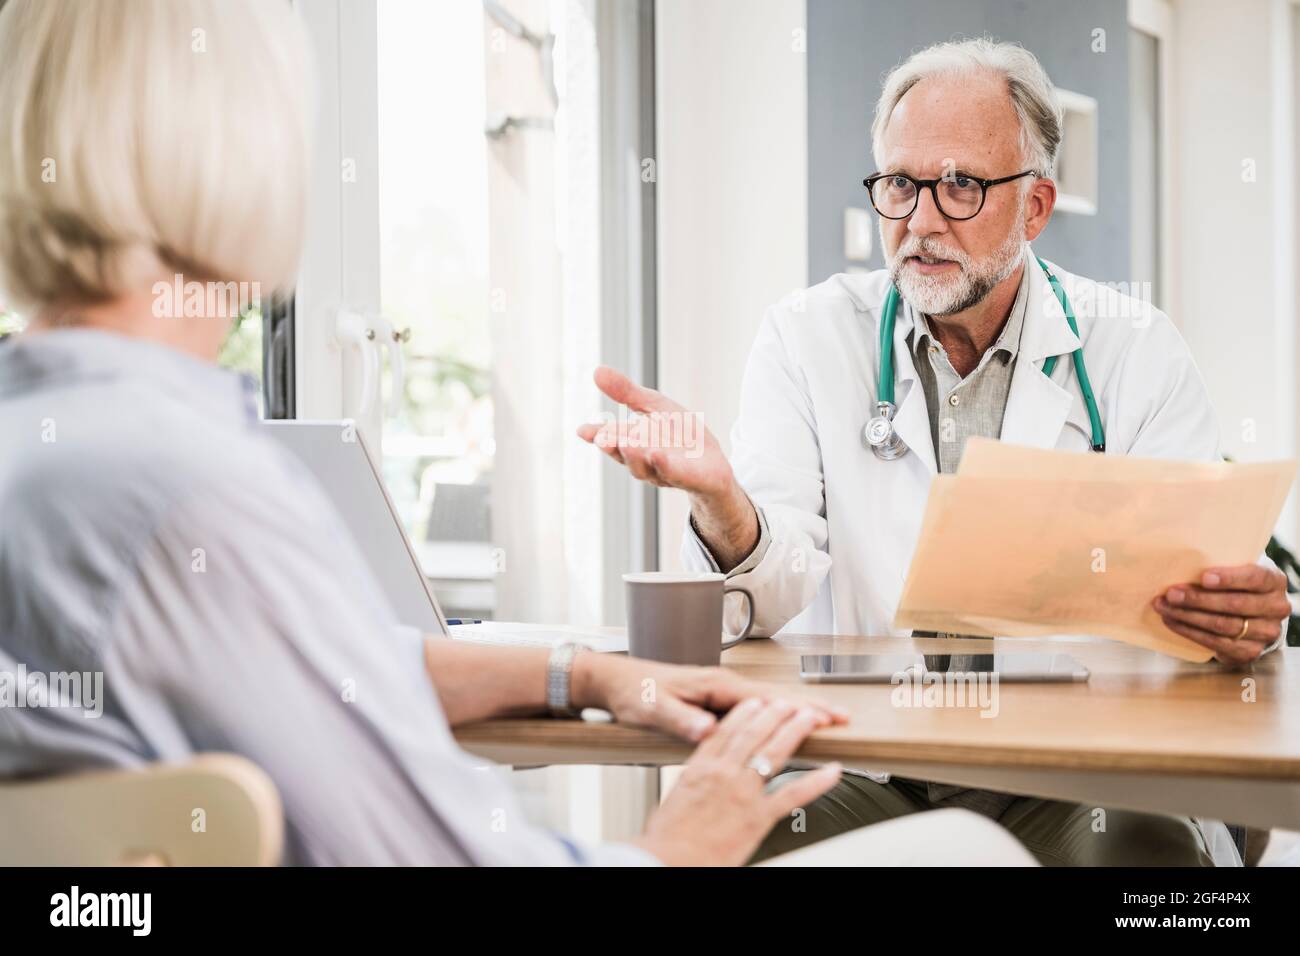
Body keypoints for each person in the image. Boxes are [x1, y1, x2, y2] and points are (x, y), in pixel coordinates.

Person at [0, 0, 1037, 867]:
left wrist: (576, 672)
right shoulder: (189, 489)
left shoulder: (52, 453)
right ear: (243, 154)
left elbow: (318, 668)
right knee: (965, 853)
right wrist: (677, 840)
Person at [578, 37, 1293, 866]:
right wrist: (723, 502)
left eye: (959, 186)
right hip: (866, 761)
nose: (919, 220)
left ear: (1034, 207)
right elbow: (765, 599)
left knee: (1147, 854)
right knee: (749, 841)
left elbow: (1199, 599)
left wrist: (1233, 618)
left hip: (1075, 770)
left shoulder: (1137, 349)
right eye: (899, 185)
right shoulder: (807, 338)